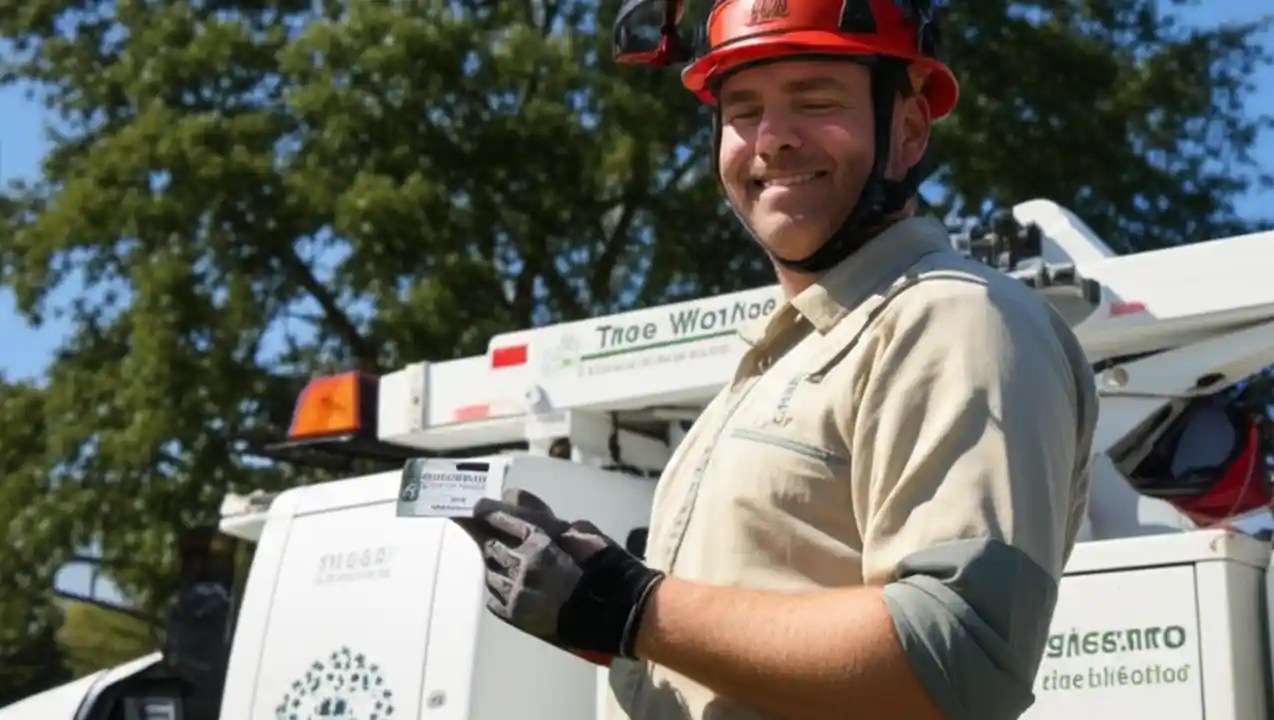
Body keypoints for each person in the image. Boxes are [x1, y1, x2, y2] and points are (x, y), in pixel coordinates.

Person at [453, 0, 1100, 718]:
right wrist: (592, 606)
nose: (773, 140)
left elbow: (957, 659)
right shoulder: (782, 355)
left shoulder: (956, 319)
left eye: (815, 101)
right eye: (743, 110)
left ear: (909, 130)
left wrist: (637, 607)